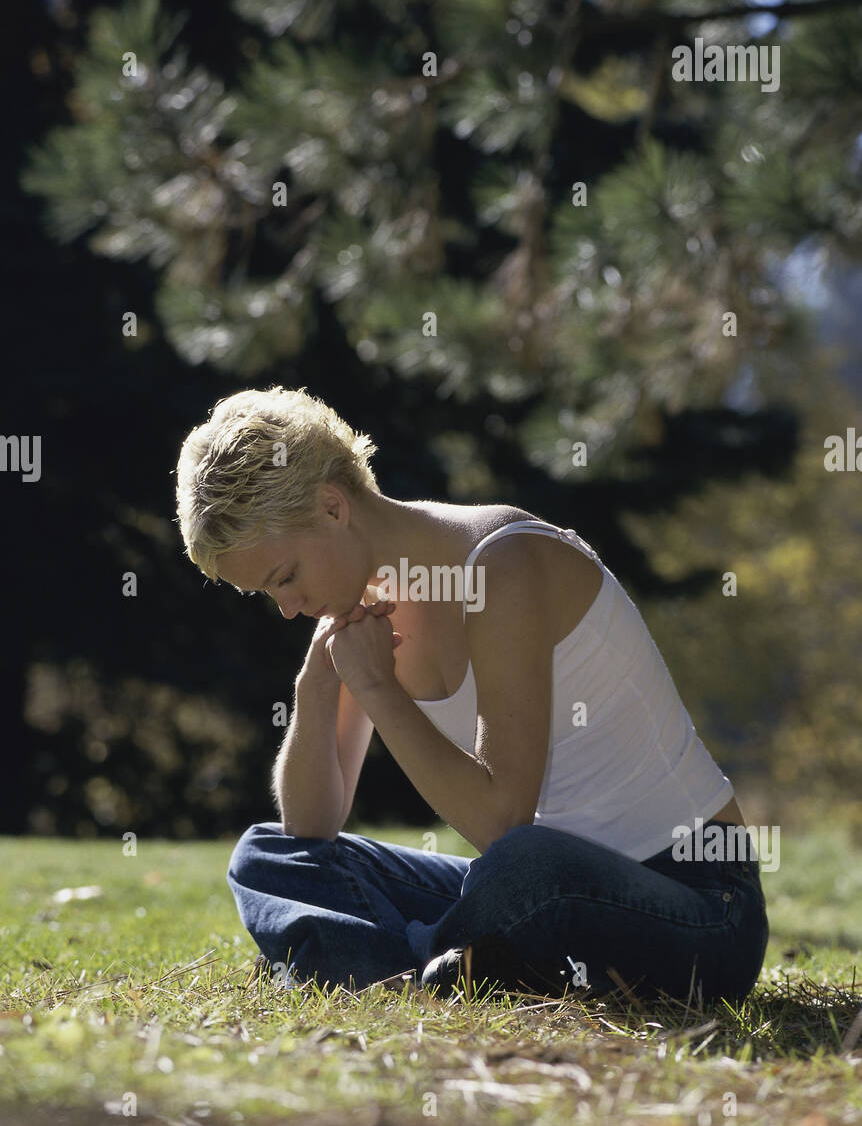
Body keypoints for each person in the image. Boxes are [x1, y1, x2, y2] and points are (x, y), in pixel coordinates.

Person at [175, 385, 769, 1005]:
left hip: (698, 906)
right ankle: (445, 967)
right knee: (267, 855)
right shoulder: (359, 613)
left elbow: (501, 820)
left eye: (286, 578)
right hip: (535, 896)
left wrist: (378, 687)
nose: (289, 608)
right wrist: (317, 688)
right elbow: (311, 827)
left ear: (332, 508)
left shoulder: (503, 565)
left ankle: (373, 964)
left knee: (526, 866)